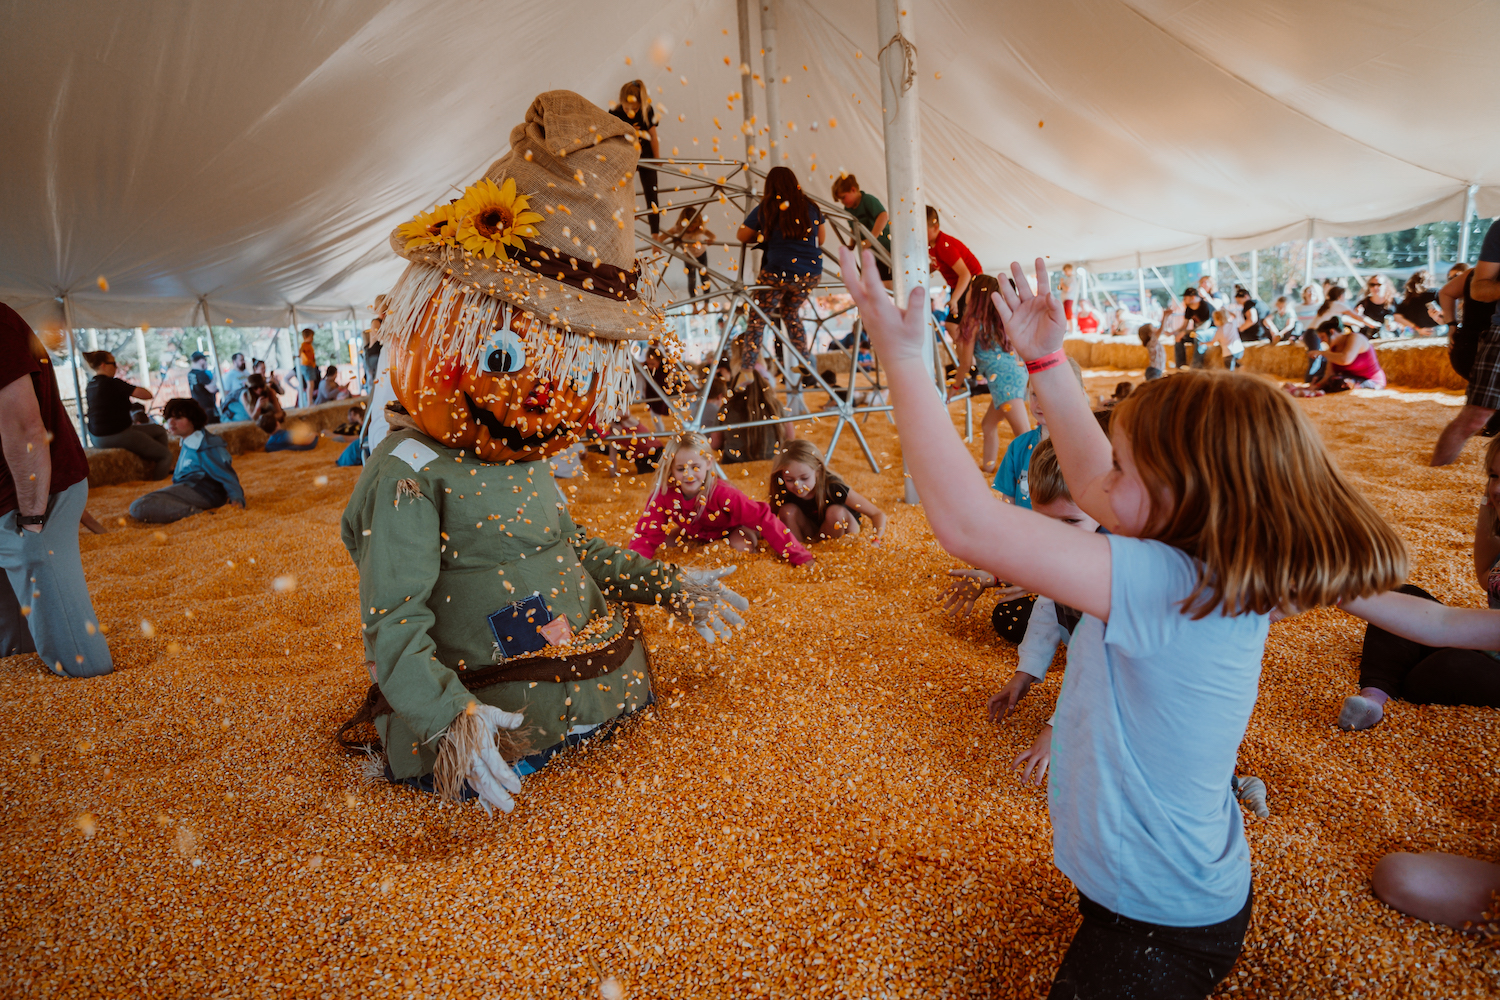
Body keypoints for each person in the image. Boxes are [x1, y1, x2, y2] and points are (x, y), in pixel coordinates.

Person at [841, 243, 1405, 1000]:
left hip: (1160, 925)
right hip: (1156, 889)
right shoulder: (1197, 553)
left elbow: (973, 526)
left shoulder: (1165, 584)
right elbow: (1086, 476)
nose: (1103, 478)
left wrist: (905, 359)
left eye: (1125, 467)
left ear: (1185, 496)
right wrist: (1045, 364)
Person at [1337, 433, 1500, 730]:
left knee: (1448, 664)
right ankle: (1373, 698)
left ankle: (1397, 680)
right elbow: (1484, 576)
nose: (1497, 488)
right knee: (1400, 598)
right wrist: (1488, 501)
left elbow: (1443, 625)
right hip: (1487, 642)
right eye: (1494, 476)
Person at [0, 302, 112, 678]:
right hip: (15, 502)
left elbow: (25, 429)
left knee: (80, 659)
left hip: (26, 503)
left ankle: (98, 704)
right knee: (13, 638)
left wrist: (33, 521)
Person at [629, 432, 812, 566]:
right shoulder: (664, 494)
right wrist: (633, 568)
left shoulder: (723, 493)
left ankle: (754, 535)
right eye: (681, 469)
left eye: (695, 467)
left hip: (732, 529)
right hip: (696, 533)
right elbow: (646, 533)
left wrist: (800, 557)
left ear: (708, 463)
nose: (689, 475)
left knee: (741, 547)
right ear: (670, 469)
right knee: (663, 544)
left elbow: (763, 518)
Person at [736, 166, 827, 375]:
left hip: (779, 273)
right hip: (810, 275)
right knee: (791, 312)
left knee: (758, 318)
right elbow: (820, 239)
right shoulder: (811, 206)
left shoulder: (768, 206)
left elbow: (742, 235)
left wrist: (762, 235)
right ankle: (804, 360)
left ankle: (747, 368)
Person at [949, 274, 1033, 471]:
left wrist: (954, 386)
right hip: (1012, 375)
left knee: (1023, 434)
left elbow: (966, 363)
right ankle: (988, 467)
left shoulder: (973, 322)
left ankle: (1036, 473)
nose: (967, 292)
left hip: (1003, 380)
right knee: (988, 425)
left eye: (969, 289)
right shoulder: (996, 319)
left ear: (976, 293)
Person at [1433, 219, 1500, 465]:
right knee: (1476, 415)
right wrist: (1451, 325)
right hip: (1476, 343)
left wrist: (1451, 325)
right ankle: (1434, 474)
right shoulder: (1474, 274)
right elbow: (1460, 291)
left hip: (1472, 341)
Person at [128, 398, 245, 523]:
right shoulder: (190, 441)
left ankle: (198, 515)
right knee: (145, 503)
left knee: (139, 507)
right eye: (168, 418)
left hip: (203, 491)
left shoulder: (205, 446)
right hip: (193, 488)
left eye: (178, 418)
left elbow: (226, 474)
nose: (171, 423)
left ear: (193, 420)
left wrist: (237, 498)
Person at [769, 439, 886, 546]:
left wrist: (876, 540)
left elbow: (877, 514)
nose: (797, 485)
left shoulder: (834, 488)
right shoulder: (783, 490)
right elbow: (768, 518)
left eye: (804, 478)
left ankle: (829, 551)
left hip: (844, 530)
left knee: (835, 512)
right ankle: (799, 551)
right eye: (789, 479)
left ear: (818, 471)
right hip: (814, 532)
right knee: (787, 511)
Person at [81, 350, 171, 479]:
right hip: (117, 434)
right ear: (103, 365)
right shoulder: (113, 383)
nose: (116, 367)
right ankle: (158, 482)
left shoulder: (91, 385)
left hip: (96, 437)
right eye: (113, 364)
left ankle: (156, 464)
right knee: (166, 455)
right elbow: (147, 395)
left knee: (158, 430)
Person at [610, 79, 661, 235]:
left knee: (651, 192)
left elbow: (653, 136)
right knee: (622, 187)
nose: (630, 112)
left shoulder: (647, 111)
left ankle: (655, 233)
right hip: (626, 156)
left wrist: (657, 158)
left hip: (646, 156)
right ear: (621, 102)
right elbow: (611, 137)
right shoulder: (615, 113)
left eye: (635, 108)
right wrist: (628, 130)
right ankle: (629, 211)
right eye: (627, 108)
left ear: (641, 104)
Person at [926, 206, 983, 345]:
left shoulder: (944, 246)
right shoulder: (932, 245)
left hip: (971, 284)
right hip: (959, 285)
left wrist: (954, 299)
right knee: (956, 325)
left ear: (935, 227)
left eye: (923, 230)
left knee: (953, 325)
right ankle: (969, 359)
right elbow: (937, 264)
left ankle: (969, 359)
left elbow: (965, 274)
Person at [1286, 322, 1386, 395]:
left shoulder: (1355, 338)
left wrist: (1322, 353)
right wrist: (1314, 387)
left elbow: (1345, 359)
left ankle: (1313, 393)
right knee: (1318, 378)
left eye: (1322, 337)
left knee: (1338, 382)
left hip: (1371, 381)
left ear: (1332, 332)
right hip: (1350, 378)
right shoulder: (1333, 349)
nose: (1321, 341)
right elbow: (1329, 374)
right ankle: (1309, 392)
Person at [832, 174, 891, 282]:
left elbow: (883, 216)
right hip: (872, 254)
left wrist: (871, 239)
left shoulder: (867, 200)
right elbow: (854, 229)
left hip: (885, 249)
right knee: (873, 280)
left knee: (887, 281)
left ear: (853, 190)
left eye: (843, 197)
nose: (842, 202)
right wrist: (851, 245)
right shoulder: (848, 209)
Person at [662, 207, 716, 302]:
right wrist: (657, 245)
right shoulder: (678, 228)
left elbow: (713, 236)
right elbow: (661, 237)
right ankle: (693, 304)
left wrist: (711, 240)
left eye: (694, 226)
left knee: (705, 278)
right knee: (691, 280)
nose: (692, 228)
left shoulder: (700, 228)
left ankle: (706, 303)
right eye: (690, 226)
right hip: (688, 257)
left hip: (701, 254)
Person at [1393, 271, 1443, 336]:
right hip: (1439, 331)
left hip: (1419, 333)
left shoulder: (1408, 299)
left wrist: (1416, 328)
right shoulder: (1435, 293)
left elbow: (1397, 317)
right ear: (1430, 281)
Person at [1176, 287, 1214, 369]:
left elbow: (1204, 328)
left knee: (1199, 335)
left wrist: (1185, 332)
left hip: (1211, 332)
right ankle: (1180, 366)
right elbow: (1184, 326)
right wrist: (1175, 332)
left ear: (1193, 297)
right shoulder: (1189, 308)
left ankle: (1196, 367)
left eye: (1185, 297)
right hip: (1197, 332)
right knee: (1179, 337)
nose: (1184, 300)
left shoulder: (1205, 306)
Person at [187, 351, 220, 422]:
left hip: (198, 407)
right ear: (201, 360)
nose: (206, 362)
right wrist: (215, 378)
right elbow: (212, 389)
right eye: (205, 360)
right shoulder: (201, 374)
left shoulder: (190, 374)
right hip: (208, 409)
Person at [221, 353, 250, 420]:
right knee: (246, 415)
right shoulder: (229, 375)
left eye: (244, 360)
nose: (243, 362)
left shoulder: (247, 373)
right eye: (241, 360)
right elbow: (226, 393)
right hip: (235, 402)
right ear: (234, 361)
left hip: (248, 399)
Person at [296, 329, 318, 407]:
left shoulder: (308, 345)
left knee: (311, 384)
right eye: (311, 337)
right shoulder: (304, 345)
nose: (312, 339)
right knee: (310, 384)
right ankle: (309, 402)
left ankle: (310, 401)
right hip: (307, 366)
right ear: (306, 337)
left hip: (310, 365)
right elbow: (300, 351)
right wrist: (298, 355)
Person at [1059, 263, 1077, 333]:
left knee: (1069, 314)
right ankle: (1070, 329)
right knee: (1067, 314)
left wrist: (1062, 283)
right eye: (1065, 271)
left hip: (1068, 298)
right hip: (1065, 299)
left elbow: (1067, 289)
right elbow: (1061, 288)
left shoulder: (1071, 279)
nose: (1066, 272)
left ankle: (1072, 330)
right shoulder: (1068, 279)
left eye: (1067, 270)